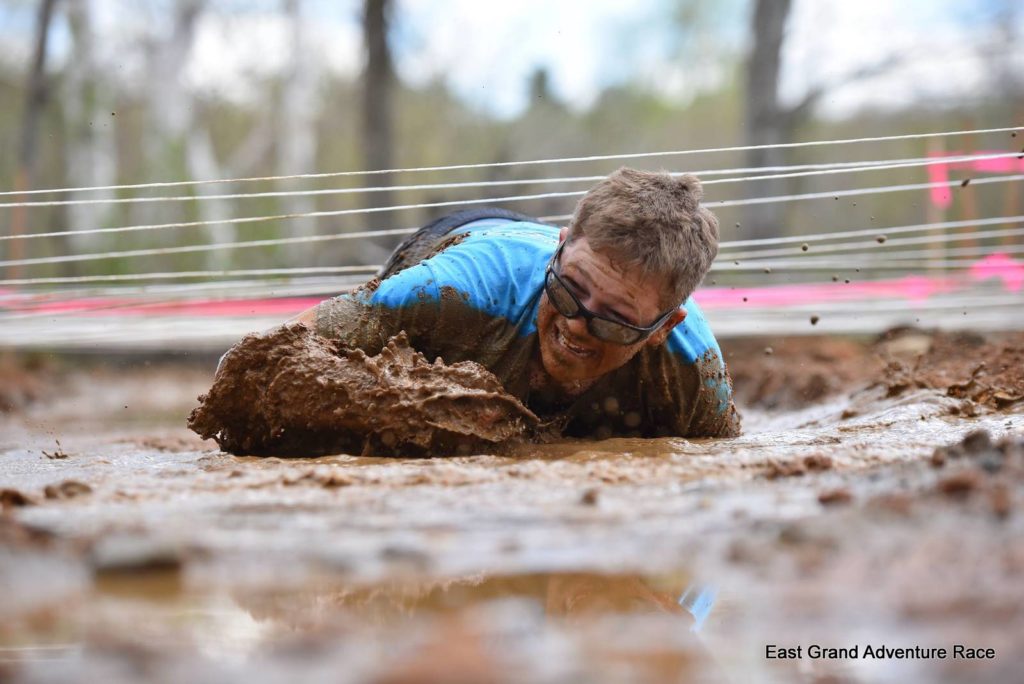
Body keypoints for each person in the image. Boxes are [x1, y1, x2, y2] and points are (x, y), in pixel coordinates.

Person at [290, 167, 741, 439]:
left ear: (665, 326)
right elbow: (274, 350)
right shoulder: (454, 289)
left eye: (615, 319)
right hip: (461, 244)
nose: (577, 324)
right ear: (559, 250)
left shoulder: (694, 372)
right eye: (570, 290)